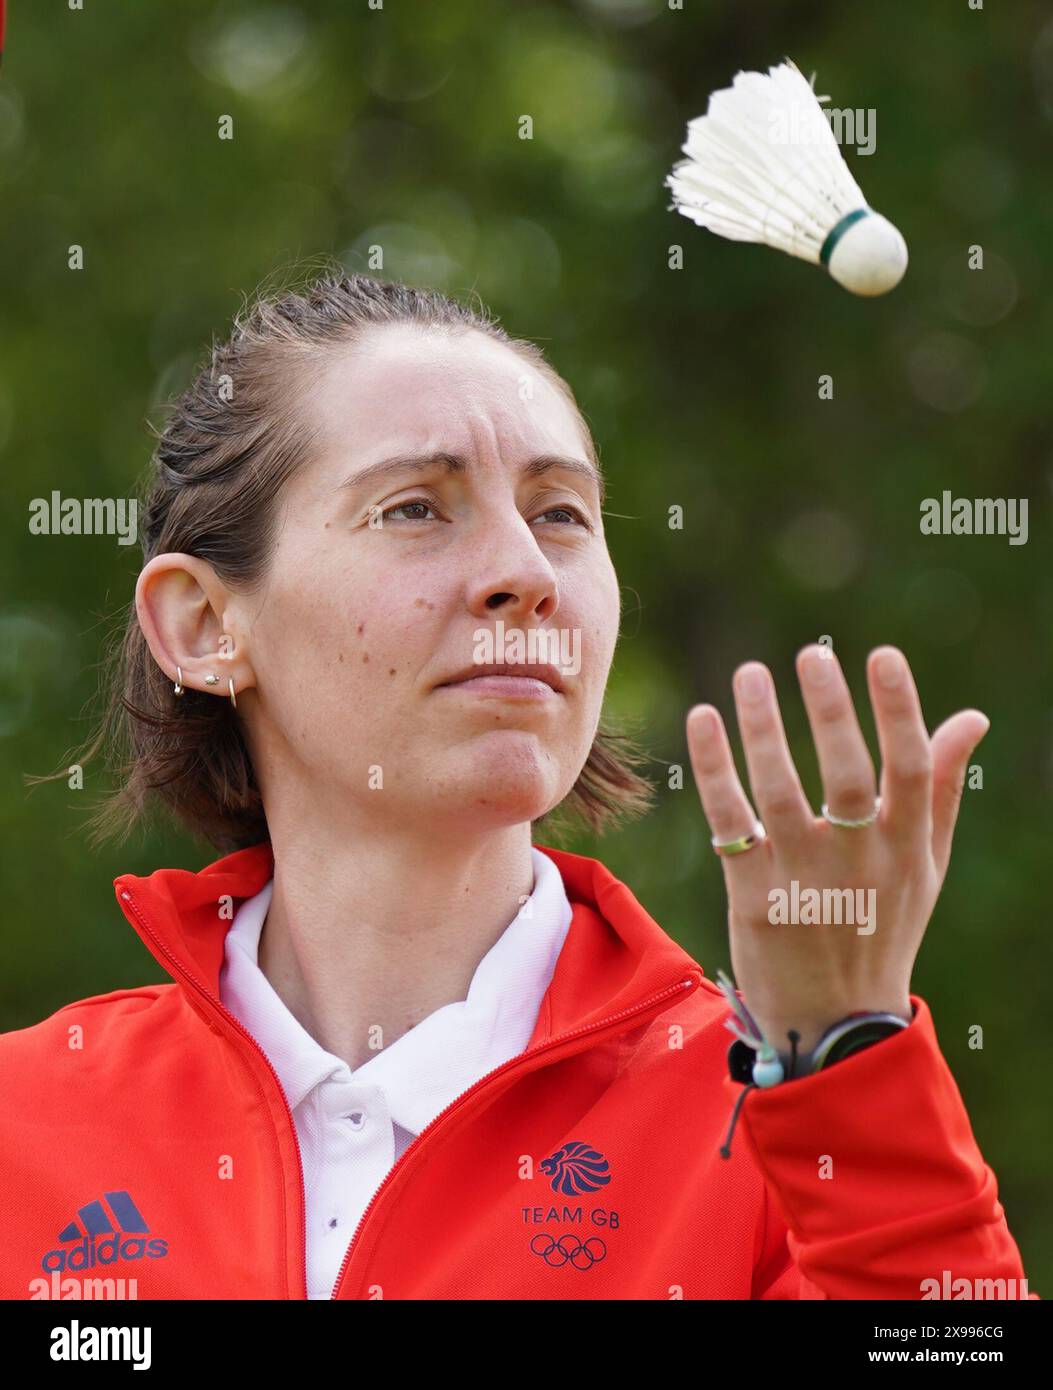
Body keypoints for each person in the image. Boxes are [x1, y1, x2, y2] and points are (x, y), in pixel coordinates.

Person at [2, 268, 1032, 1300]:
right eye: (415, 508)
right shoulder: (27, 1126)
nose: (525, 571)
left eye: (562, 514)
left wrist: (849, 1058)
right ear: (204, 625)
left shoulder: (777, 1123)